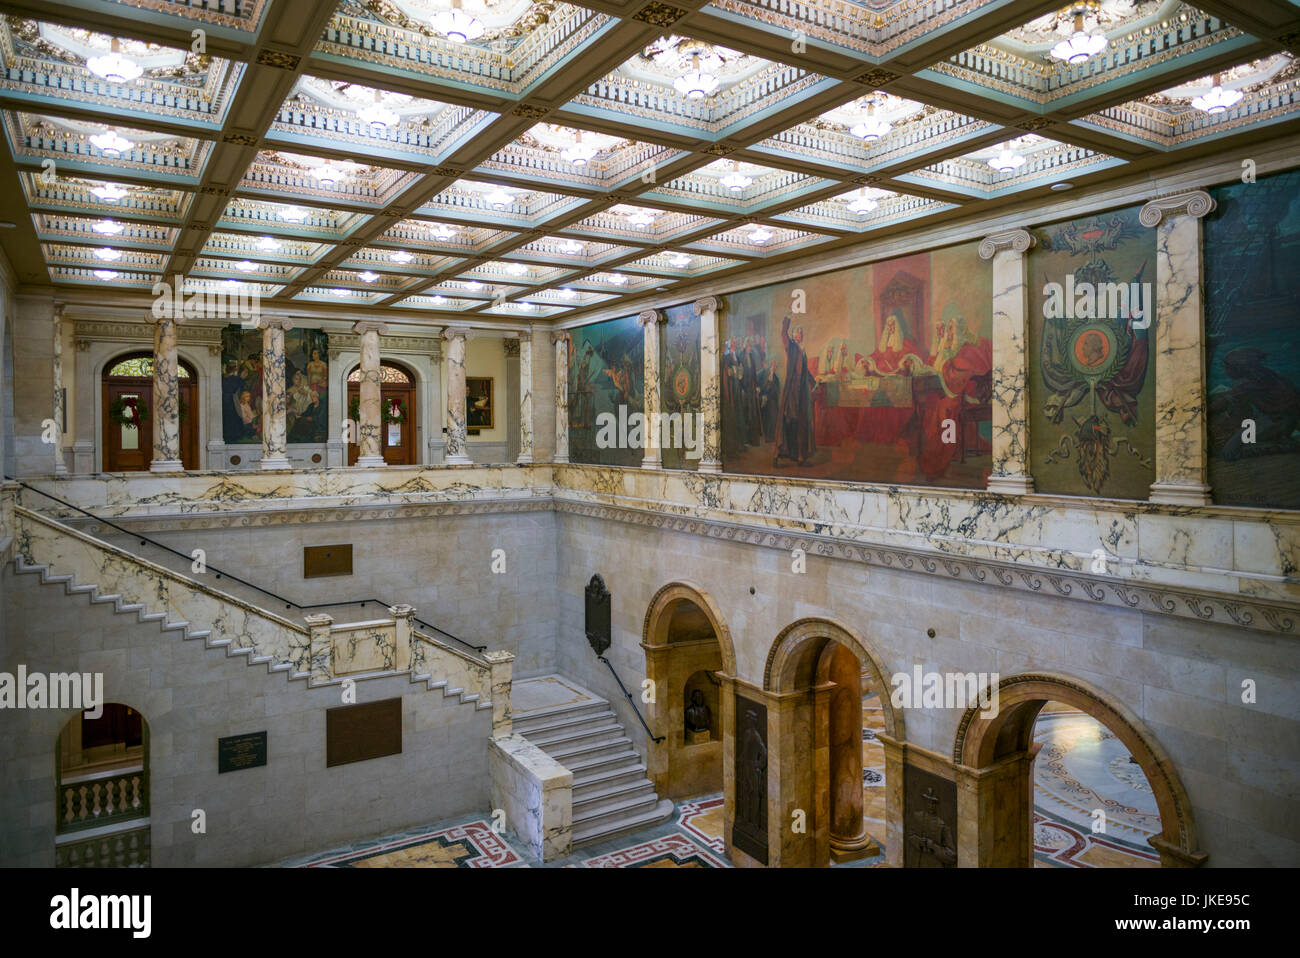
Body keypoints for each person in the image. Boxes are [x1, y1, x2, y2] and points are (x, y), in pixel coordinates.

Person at [775, 314, 815, 467]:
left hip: (801, 392)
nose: (801, 334)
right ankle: (779, 454)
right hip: (792, 391)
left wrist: (814, 382)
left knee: (800, 423)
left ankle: (799, 456)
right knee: (789, 421)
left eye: (802, 333)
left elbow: (805, 370)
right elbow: (783, 333)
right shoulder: (791, 346)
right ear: (794, 335)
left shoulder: (802, 350)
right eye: (798, 332)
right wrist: (787, 318)